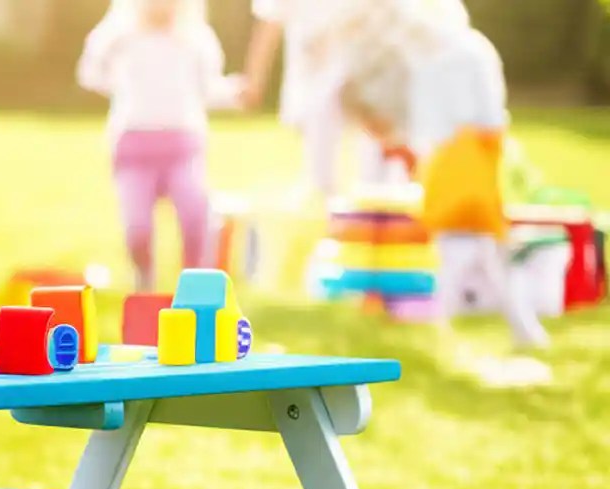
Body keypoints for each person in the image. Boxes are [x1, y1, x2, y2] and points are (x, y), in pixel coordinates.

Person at [335, 1, 550, 350]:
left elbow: (430, 124)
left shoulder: (435, 61)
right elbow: (484, 116)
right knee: (486, 249)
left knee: (464, 250)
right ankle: (519, 329)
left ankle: (449, 324)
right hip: (474, 155)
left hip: (459, 161)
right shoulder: (462, 50)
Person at [77, 0, 240, 292]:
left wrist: (235, 92)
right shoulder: (119, 33)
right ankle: (144, 280)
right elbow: (90, 74)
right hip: (133, 149)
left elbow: (208, 88)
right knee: (137, 228)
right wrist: (112, 48)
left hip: (182, 148)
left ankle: (194, 286)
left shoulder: (196, 37)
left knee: (196, 216)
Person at [240, 0, 469, 196]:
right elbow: (270, 19)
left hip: (371, 73)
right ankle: (331, 209)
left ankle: (383, 205)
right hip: (316, 75)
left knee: (380, 159)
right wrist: (254, 79)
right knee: (322, 172)